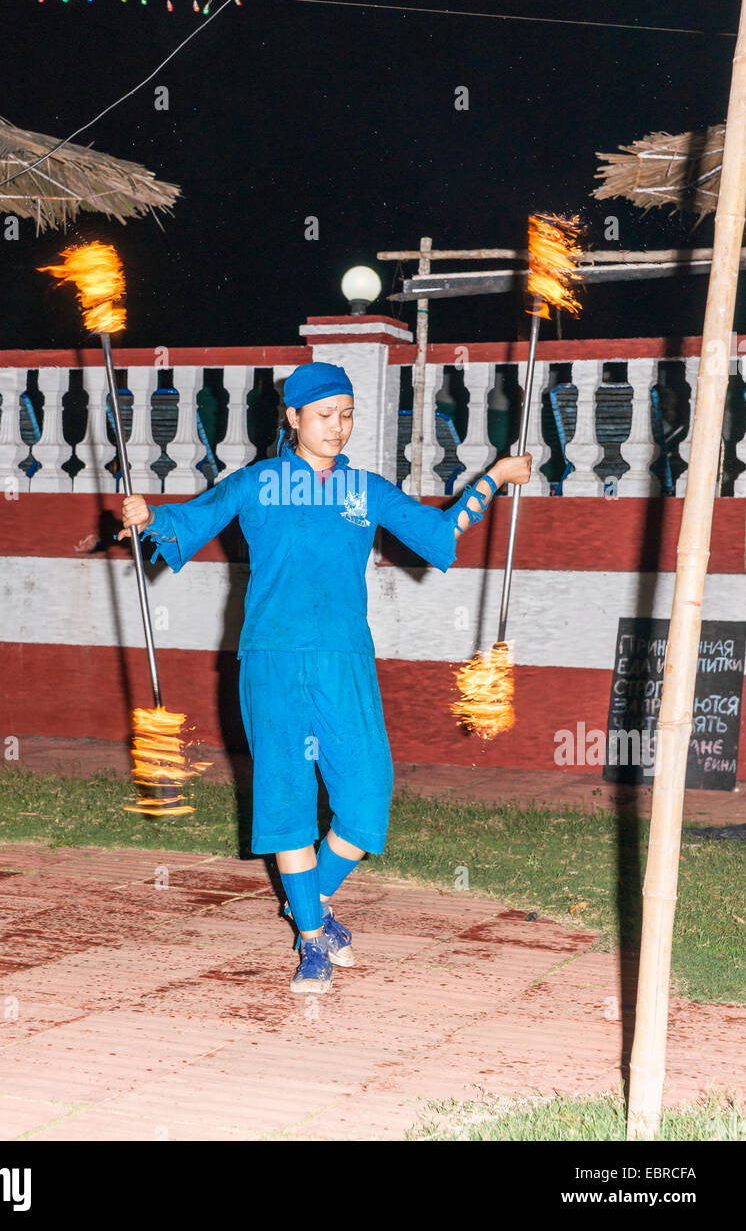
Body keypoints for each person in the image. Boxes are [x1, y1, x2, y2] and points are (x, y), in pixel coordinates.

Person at [120, 361, 531, 995]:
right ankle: (312, 939)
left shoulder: (364, 491)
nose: (337, 428)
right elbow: (187, 522)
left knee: (367, 799)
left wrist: (496, 479)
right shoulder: (256, 484)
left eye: (345, 415)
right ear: (293, 419)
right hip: (272, 662)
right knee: (285, 799)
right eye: (323, 416)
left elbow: (440, 531)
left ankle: (304, 900)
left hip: (345, 660)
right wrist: (147, 518)